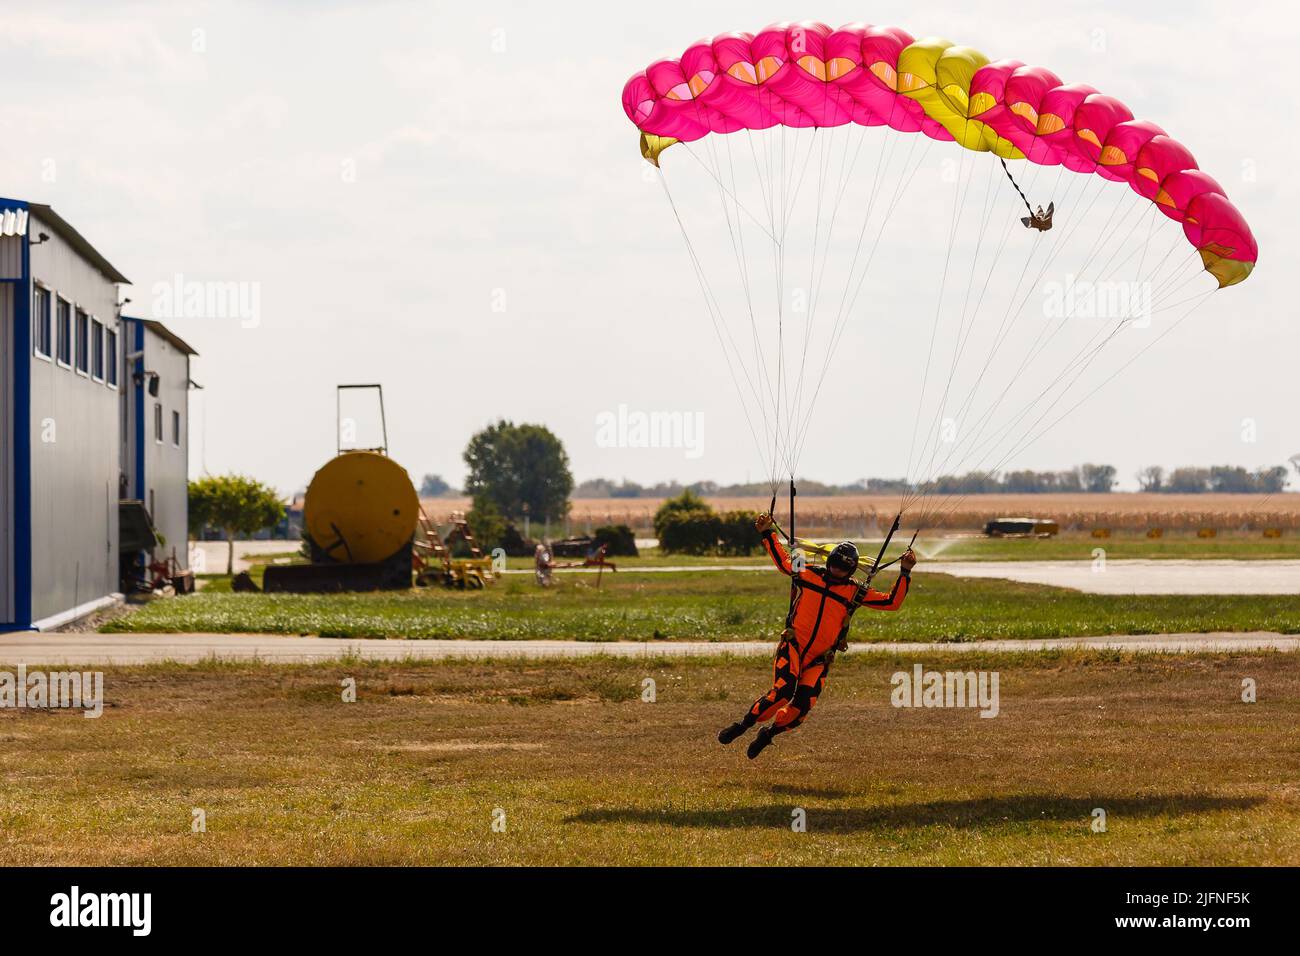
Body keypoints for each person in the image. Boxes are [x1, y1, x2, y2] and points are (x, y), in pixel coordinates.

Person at [718, 512, 917, 759]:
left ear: (851, 569)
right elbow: (785, 563)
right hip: (793, 645)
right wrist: (768, 532)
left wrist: (905, 572)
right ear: (829, 560)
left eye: (843, 569)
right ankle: (742, 726)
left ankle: (768, 735)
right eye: (834, 564)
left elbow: (891, 602)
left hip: (819, 659)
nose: (836, 571)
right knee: (782, 692)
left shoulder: (854, 591)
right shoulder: (808, 572)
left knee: (800, 709)